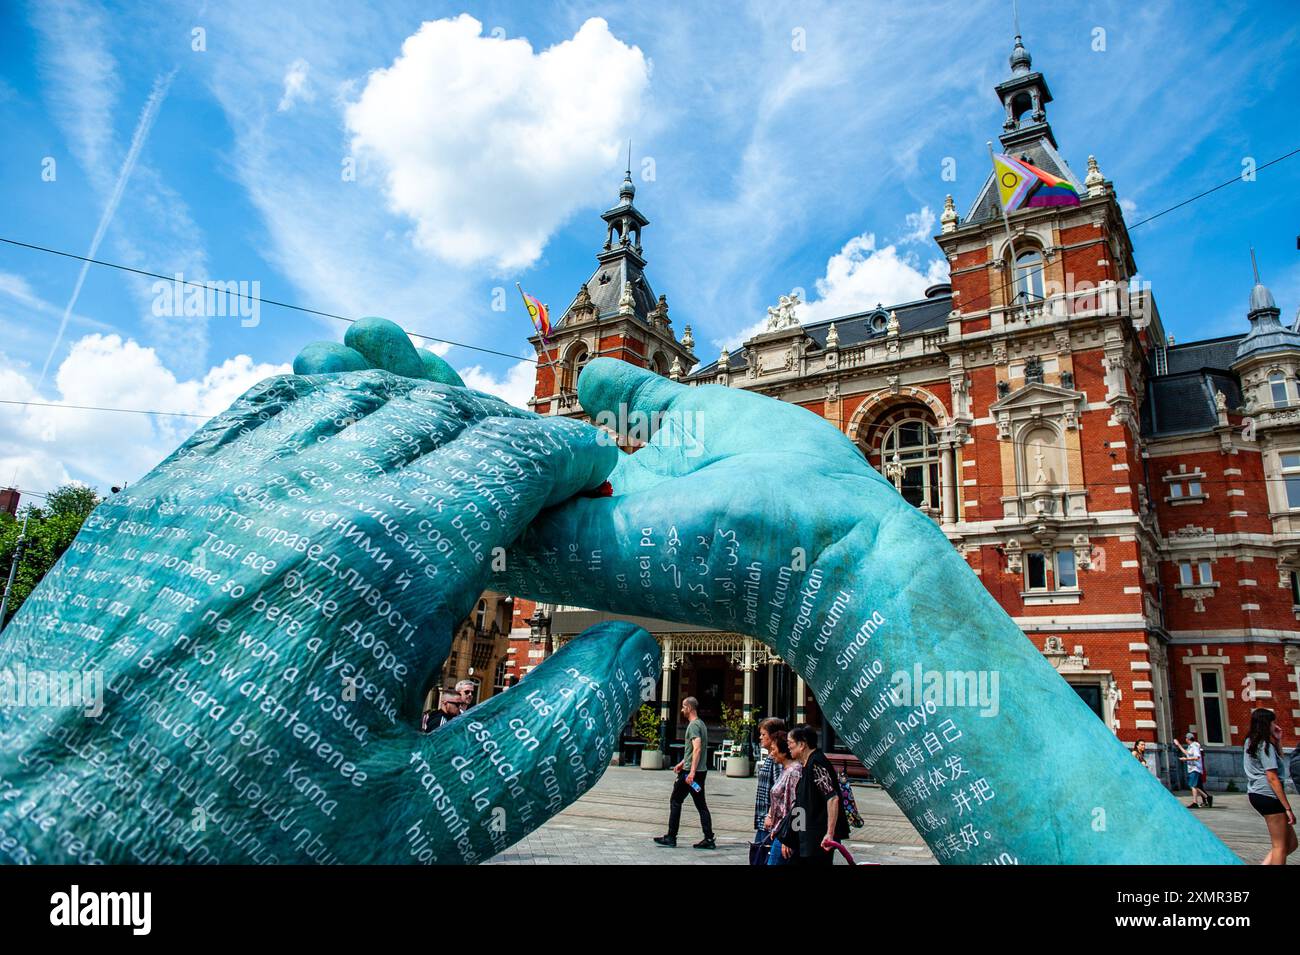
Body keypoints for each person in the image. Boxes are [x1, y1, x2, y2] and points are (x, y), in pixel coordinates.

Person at [654, 697, 715, 849]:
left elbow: (697, 748)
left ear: (689, 708)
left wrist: (691, 772)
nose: (682, 710)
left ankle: (671, 837)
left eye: (683, 707)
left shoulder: (693, 726)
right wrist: (682, 763)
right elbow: (692, 751)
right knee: (701, 805)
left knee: (675, 801)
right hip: (699, 772)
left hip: (690, 775)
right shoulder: (701, 724)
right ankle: (708, 838)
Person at [785, 724, 847, 865]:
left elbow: (832, 798)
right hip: (805, 838)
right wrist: (791, 838)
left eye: (790, 743)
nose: (788, 746)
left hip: (817, 840)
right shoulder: (806, 765)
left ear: (802, 744)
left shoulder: (816, 763)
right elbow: (801, 804)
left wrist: (830, 833)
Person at [1243, 708, 1296, 865]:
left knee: (1291, 843)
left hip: (1256, 793)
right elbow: (1272, 778)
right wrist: (1287, 807)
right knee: (1280, 846)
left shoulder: (1250, 741)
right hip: (1268, 795)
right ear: (1267, 723)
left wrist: (1278, 740)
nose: (1275, 725)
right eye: (1273, 722)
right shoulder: (1264, 745)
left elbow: (1279, 759)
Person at [763, 728, 802, 866]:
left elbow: (796, 806)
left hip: (786, 833)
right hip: (780, 830)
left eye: (774, 749)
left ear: (784, 752)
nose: (771, 753)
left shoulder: (794, 772)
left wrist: (791, 838)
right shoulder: (785, 770)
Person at [751, 717, 786, 864]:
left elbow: (780, 789)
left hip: (770, 821)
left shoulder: (776, 759)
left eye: (763, 734)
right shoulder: (771, 757)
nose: (760, 737)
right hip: (764, 819)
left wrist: (770, 815)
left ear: (773, 736)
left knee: (762, 858)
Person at [1174, 731, 1211, 808]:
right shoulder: (1191, 746)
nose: (1185, 740)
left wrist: (1186, 759)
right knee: (1194, 785)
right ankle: (1206, 797)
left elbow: (1197, 757)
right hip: (1192, 768)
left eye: (1186, 738)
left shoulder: (1194, 746)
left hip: (1195, 768)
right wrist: (1179, 745)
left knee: (1193, 785)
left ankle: (1195, 802)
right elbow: (1186, 752)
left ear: (1188, 739)